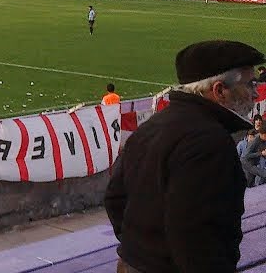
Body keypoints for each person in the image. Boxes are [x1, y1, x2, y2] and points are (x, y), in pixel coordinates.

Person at [105, 40, 263, 273]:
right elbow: (197, 237)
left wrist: (141, 250)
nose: (256, 93)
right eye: (250, 84)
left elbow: (114, 197)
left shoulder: (152, 126)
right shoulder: (210, 142)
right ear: (219, 90)